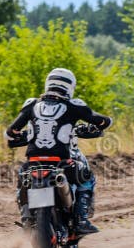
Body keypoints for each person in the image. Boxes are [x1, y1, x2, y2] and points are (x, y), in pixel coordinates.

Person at [6, 68, 113, 234]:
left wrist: (25, 136)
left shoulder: (32, 104)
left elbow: (10, 132)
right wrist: (103, 122)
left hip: (33, 163)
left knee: (22, 178)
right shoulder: (73, 105)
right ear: (70, 86)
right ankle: (81, 219)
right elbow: (102, 122)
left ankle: (26, 218)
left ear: (48, 83)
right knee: (86, 176)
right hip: (62, 162)